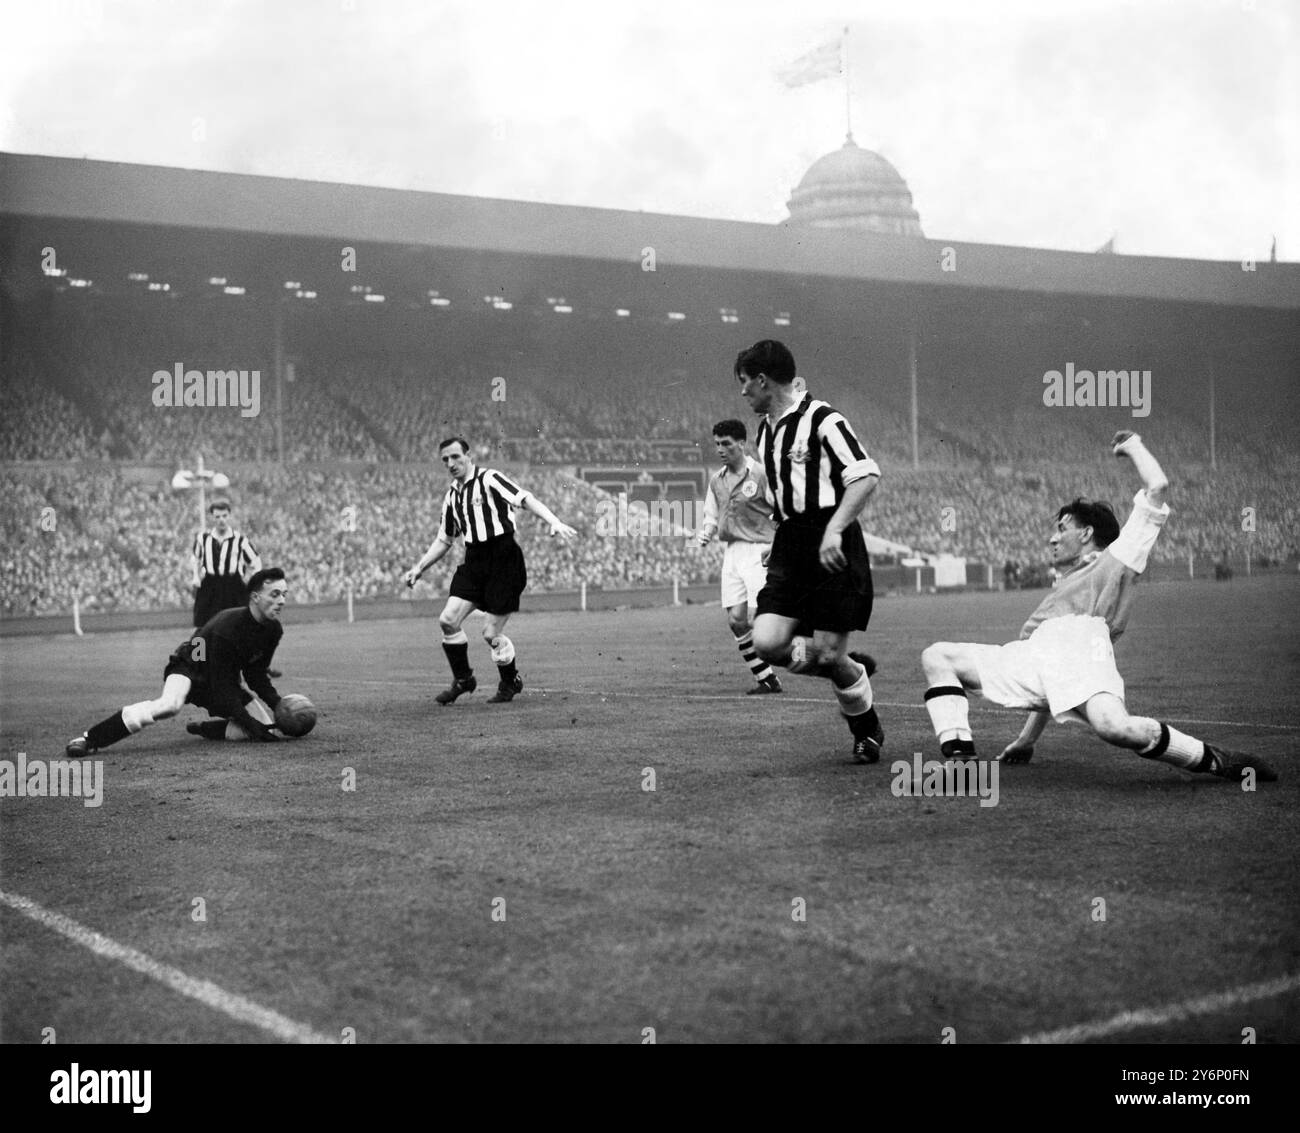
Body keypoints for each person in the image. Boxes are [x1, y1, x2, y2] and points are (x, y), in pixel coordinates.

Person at [920, 432, 1277, 782]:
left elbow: (1157, 487)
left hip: (1082, 648)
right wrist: (1026, 740)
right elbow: (1052, 678)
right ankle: (961, 767)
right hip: (1033, 654)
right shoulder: (1065, 584)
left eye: (1062, 528)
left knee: (1115, 728)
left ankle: (1215, 759)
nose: (1052, 537)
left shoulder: (1115, 559)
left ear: (1088, 534)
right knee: (939, 657)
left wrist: (1133, 446)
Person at [736, 340, 885, 762]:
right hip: (791, 543)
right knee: (765, 642)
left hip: (830, 542)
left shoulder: (823, 419)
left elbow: (865, 475)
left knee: (827, 655)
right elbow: (782, 492)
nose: (744, 392)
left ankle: (865, 726)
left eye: (746, 383)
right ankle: (847, 666)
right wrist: (781, 537)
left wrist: (835, 530)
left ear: (764, 380)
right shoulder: (765, 431)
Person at [404, 436, 577, 704]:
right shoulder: (452, 495)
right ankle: (464, 679)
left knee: (490, 634)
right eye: (445, 460)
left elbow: (525, 498)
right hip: (474, 561)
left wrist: (553, 521)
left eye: (455, 457)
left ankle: (510, 681)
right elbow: (444, 539)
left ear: (468, 456)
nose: (451, 463)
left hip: (503, 559)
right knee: (448, 620)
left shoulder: (489, 479)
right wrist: (419, 568)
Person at [66, 568, 292, 756]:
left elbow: (256, 675)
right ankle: (89, 739)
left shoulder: (273, 631)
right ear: (255, 597)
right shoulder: (227, 627)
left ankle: (207, 729)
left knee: (266, 726)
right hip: (190, 667)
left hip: (220, 679)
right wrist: (250, 723)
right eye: (274, 594)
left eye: (284, 594)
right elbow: (223, 687)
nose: (281, 601)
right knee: (169, 706)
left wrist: (281, 708)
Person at [696, 419, 782, 694]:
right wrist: (707, 531)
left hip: (759, 550)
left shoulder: (761, 474)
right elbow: (711, 513)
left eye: (726, 444)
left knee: (762, 623)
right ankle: (765, 678)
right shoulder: (716, 480)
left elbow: (781, 510)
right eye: (717, 444)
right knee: (735, 620)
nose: (721, 449)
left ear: (742, 444)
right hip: (733, 552)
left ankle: (811, 654)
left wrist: (778, 541)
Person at [192, 499, 261, 628]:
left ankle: (238, 648)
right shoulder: (203, 538)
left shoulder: (240, 540)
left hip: (233, 585)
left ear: (229, 516)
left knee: (238, 625)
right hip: (210, 584)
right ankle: (200, 649)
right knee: (202, 625)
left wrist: (251, 581)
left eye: (224, 516)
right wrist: (196, 576)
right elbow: (195, 558)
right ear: (212, 518)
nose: (221, 520)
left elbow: (255, 562)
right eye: (217, 517)